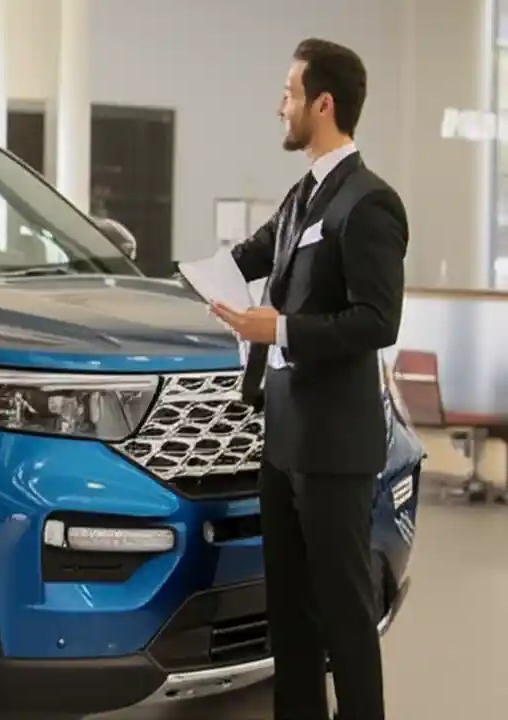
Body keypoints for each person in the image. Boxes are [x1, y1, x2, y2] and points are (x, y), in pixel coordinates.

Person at [210, 38, 407, 720]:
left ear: (323, 104)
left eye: (289, 94)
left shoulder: (371, 203)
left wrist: (281, 329)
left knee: (344, 617)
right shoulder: (303, 195)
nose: (279, 107)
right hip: (284, 438)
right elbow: (249, 255)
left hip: (335, 448)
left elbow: (376, 322)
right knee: (288, 617)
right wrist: (177, 280)